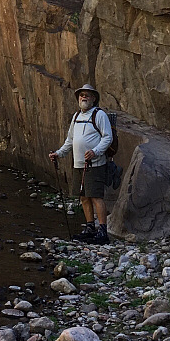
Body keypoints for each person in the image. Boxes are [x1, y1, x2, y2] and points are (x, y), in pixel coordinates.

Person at [49, 83, 112, 245]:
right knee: (84, 197)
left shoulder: (99, 115)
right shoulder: (76, 116)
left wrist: (95, 152)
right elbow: (70, 141)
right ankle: (90, 228)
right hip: (78, 164)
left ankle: (103, 231)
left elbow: (107, 137)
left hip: (95, 164)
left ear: (94, 99)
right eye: (81, 95)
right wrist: (59, 153)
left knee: (96, 196)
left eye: (87, 95)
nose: (84, 97)